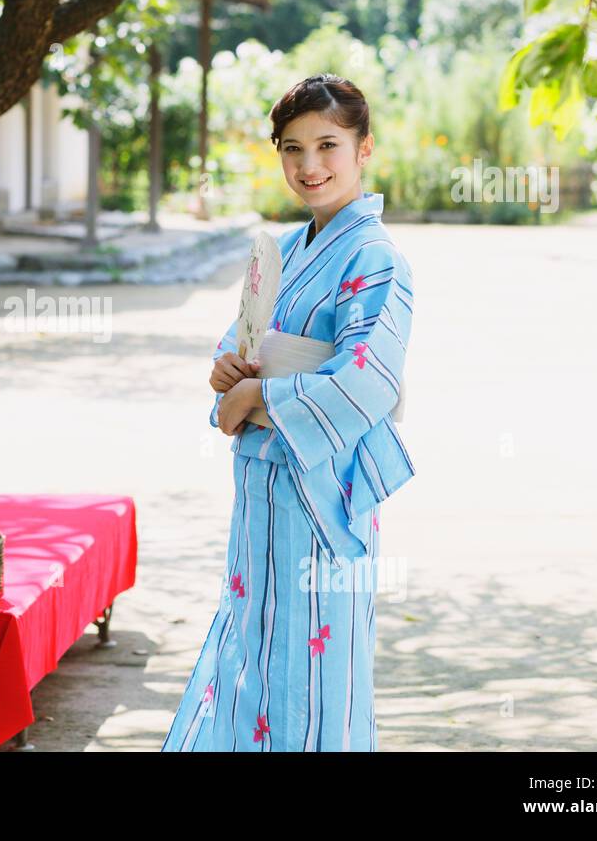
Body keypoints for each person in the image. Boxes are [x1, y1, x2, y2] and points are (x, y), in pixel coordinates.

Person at [161, 73, 417, 751]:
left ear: (364, 150)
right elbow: (243, 340)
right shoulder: (284, 248)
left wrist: (260, 397)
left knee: (311, 669)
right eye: (292, 148)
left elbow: (369, 378)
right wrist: (228, 374)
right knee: (253, 653)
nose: (309, 166)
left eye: (328, 145)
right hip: (263, 486)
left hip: (323, 491)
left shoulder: (375, 255)